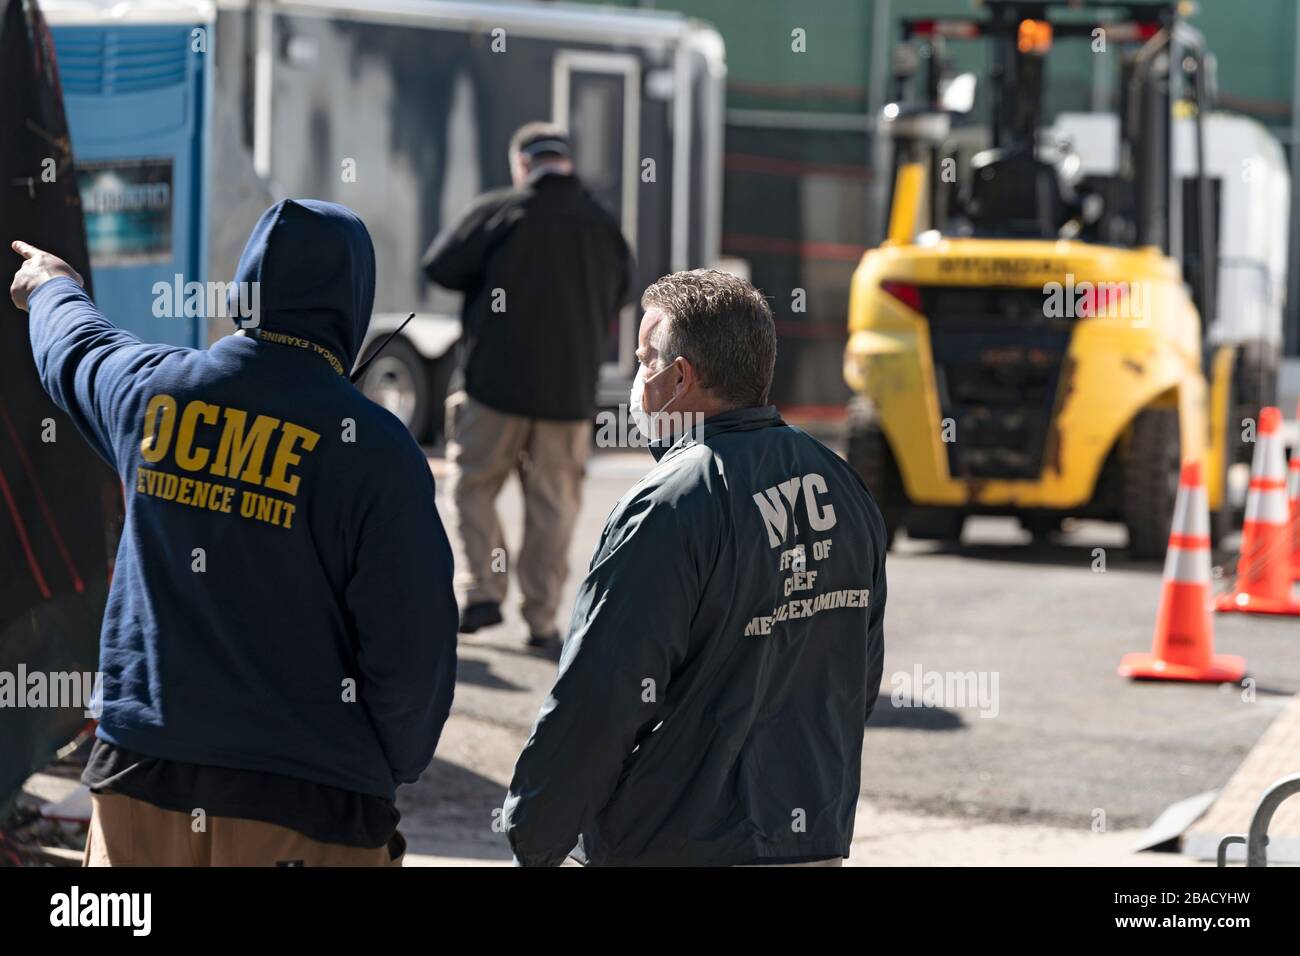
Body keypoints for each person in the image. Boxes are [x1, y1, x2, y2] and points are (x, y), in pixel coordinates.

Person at [9, 199, 458, 867]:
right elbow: (412, 659)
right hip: (307, 809)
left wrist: (51, 285)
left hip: (138, 785)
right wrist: (382, 766)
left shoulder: (151, 393)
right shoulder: (375, 452)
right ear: (352, 303)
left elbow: (75, 349)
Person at [503, 270, 888, 866]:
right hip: (810, 839)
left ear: (679, 377)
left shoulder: (673, 504)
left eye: (642, 360)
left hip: (672, 842)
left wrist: (534, 835)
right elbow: (854, 683)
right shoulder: (842, 486)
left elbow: (600, 698)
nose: (635, 379)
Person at [423, 122, 632, 656]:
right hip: (568, 398)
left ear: (523, 164)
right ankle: (541, 621)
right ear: (565, 162)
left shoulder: (501, 210)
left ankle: (481, 593)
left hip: (494, 386)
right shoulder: (602, 224)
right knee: (553, 509)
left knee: (473, 486)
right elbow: (626, 288)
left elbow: (439, 266)